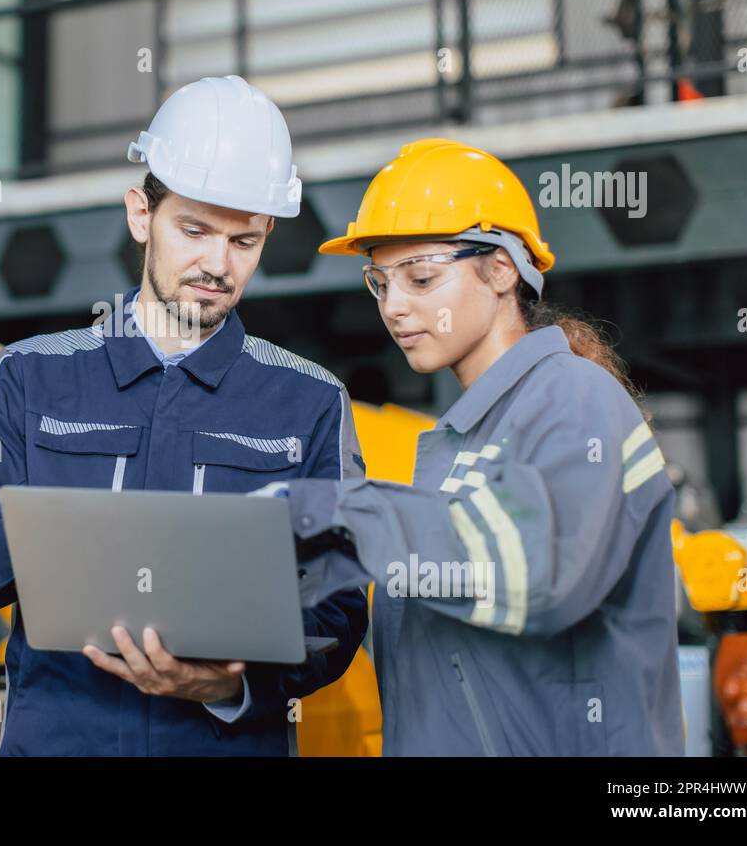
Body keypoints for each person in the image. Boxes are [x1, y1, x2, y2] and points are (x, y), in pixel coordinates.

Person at [0, 75, 368, 756]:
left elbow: (337, 609)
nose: (217, 264)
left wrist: (227, 686)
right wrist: (59, 537)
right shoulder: (31, 378)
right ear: (139, 215)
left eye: (244, 241)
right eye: (194, 230)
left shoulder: (309, 402)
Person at [278, 138, 683, 756]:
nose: (393, 306)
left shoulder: (574, 398)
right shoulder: (452, 449)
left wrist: (329, 511)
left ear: (501, 269)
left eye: (419, 278)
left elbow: (537, 570)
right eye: (379, 282)